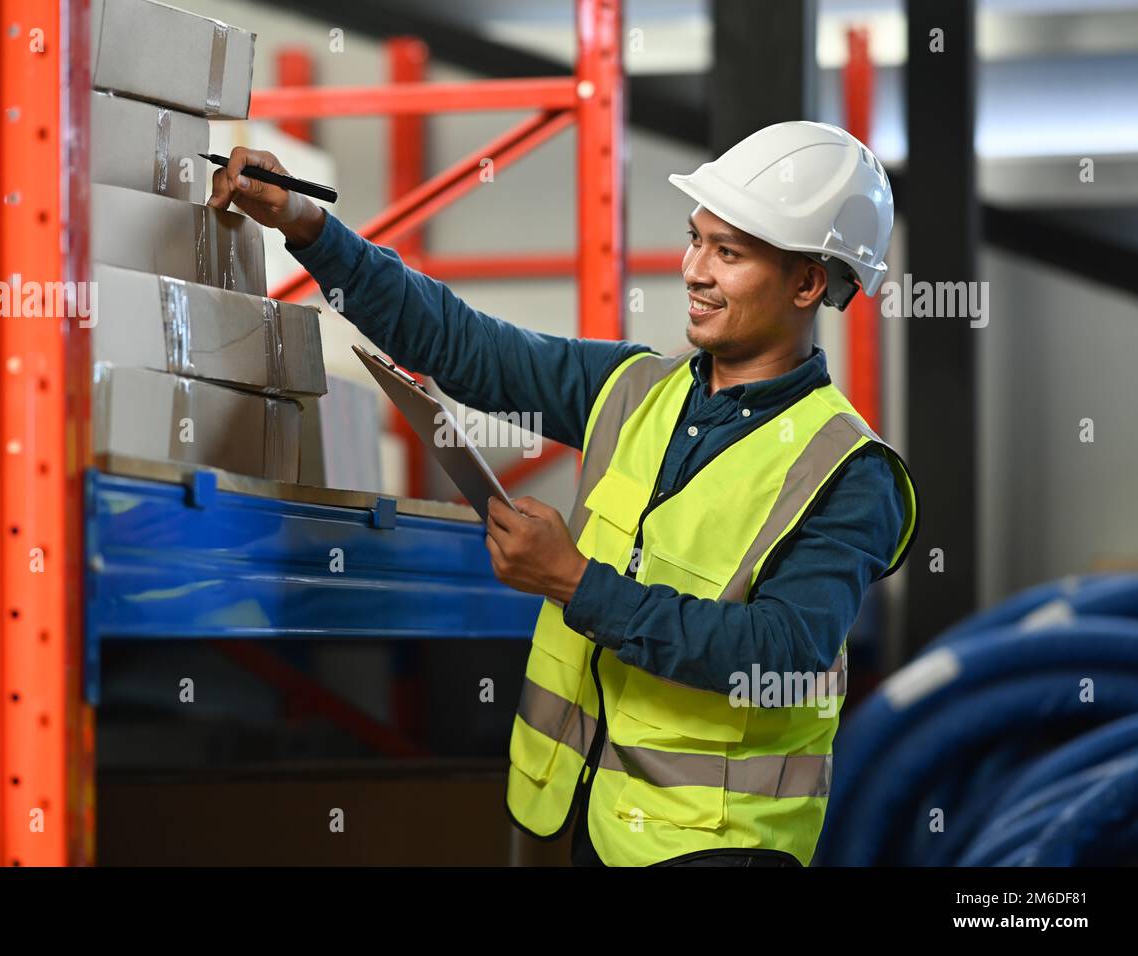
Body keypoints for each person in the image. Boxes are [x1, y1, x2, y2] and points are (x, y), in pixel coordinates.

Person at [207, 120, 918, 867]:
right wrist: (306, 224)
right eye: (696, 239)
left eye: (728, 253)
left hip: (721, 847)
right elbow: (461, 344)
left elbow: (779, 654)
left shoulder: (850, 471)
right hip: (595, 821)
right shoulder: (635, 388)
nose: (694, 270)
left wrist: (575, 583)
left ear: (808, 283)